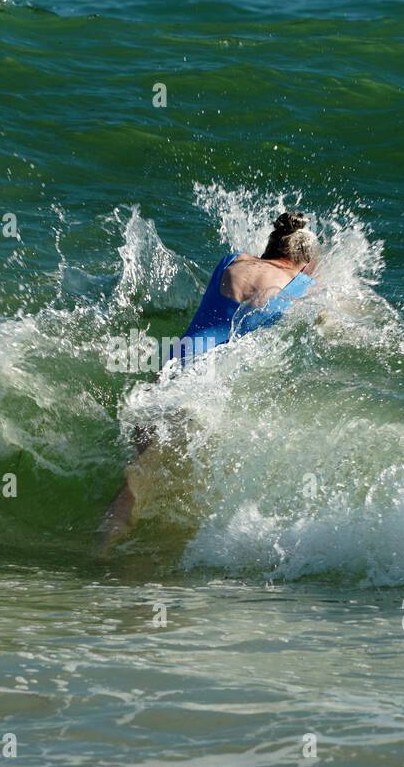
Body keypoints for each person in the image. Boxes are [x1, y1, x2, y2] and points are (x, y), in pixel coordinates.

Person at [99, 212, 320, 551]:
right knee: (168, 488)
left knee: (138, 474)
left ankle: (106, 549)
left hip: (167, 381)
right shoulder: (302, 287)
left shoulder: (231, 261)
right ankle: (126, 561)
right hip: (202, 393)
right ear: (305, 262)